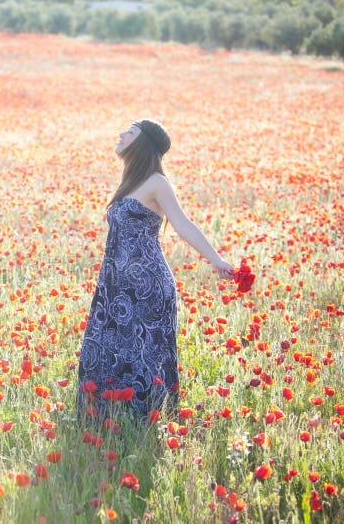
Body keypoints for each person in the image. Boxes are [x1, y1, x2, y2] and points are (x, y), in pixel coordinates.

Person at [77, 119, 234, 422]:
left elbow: (183, 224)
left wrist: (216, 260)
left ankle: (143, 422)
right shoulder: (131, 182)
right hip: (116, 285)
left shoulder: (157, 182)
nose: (121, 134)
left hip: (147, 285)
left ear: (143, 144)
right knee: (107, 345)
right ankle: (108, 418)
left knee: (142, 353)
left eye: (130, 132)